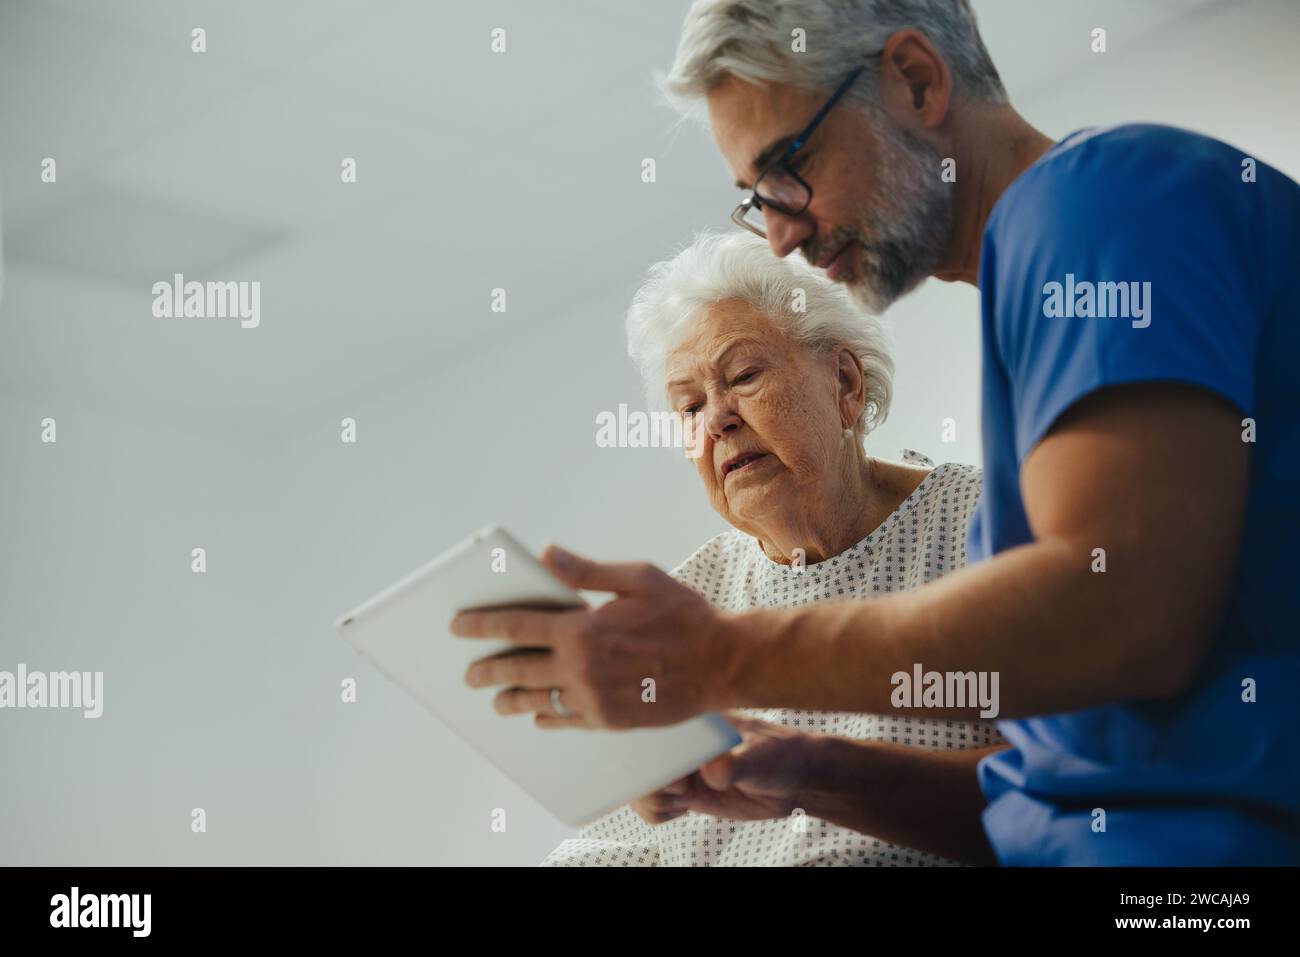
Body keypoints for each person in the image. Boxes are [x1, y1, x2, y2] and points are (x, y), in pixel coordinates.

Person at [455, 0, 1300, 864]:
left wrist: (722, 657)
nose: (781, 231)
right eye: (757, 197)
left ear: (917, 80)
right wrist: (811, 769)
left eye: (790, 164)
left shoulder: (1102, 204)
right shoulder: (1035, 282)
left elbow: (1121, 618)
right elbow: (1035, 804)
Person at [541, 231, 1000, 866]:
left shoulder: (988, 527)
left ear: (845, 383)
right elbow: (626, 839)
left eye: (744, 375)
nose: (718, 420)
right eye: (690, 406)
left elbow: (1087, 787)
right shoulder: (688, 599)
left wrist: (820, 775)